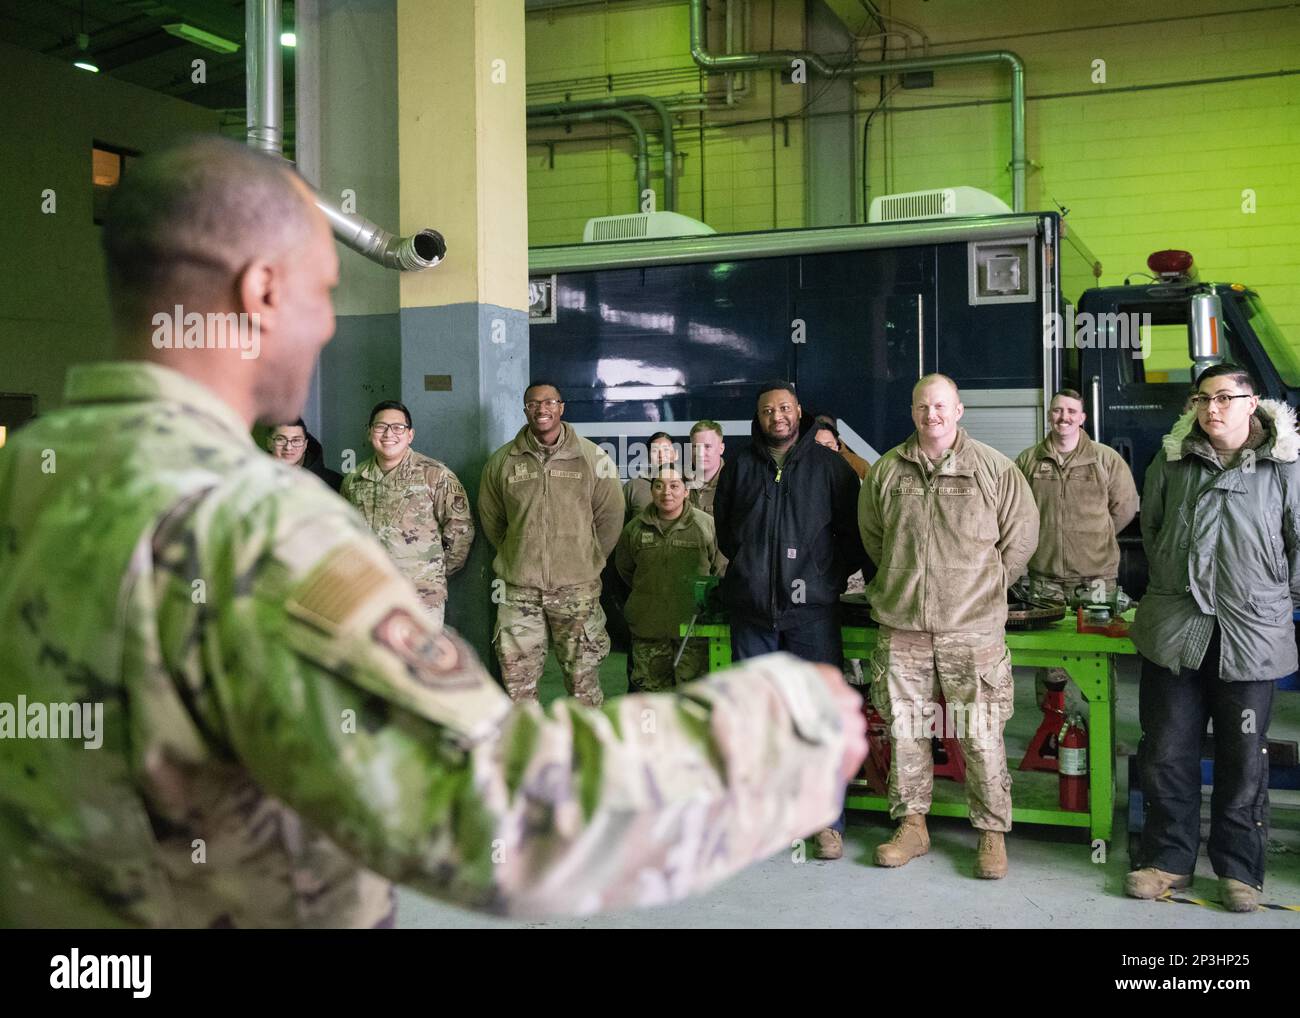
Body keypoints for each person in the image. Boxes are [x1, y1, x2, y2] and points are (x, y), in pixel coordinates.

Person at [0, 136, 866, 927]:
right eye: (326, 292)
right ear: (261, 290)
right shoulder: (258, 524)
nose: (331, 324)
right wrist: (775, 725)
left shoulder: (25, 478)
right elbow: (495, 809)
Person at [1126, 364, 1300, 912]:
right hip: (1176, 629)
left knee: (1244, 757)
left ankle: (1239, 870)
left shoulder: (1285, 467)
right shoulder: (1172, 462)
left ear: (1254, 403)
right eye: (1202, 399)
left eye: (1226, 397)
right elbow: (1150, 532)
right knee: (1166, 752)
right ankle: (1168, 861)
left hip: (1251, 634)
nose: (1212, 409)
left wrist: (1268, 600)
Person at [859, 373, 1038, 879]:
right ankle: (912, 825)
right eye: (922, 407)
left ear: (959, 411)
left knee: (981, 733)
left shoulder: (994, 469)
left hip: (973, 629)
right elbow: (874, 536)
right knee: (907, 730)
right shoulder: (887, 472)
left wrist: (986, 586)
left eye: (940, 406)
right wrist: (902, 581)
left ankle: (991, 833)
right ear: (912, 411)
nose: (931, 415)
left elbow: (1020, 537)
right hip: (903, 626)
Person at [714, 380, 867, 859]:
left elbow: (852, 537)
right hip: (753, 614)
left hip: (812, 617)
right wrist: (753, 573)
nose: (776, 416)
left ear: (799, 410)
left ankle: (826, 823)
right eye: (766, 410)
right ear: (756, 418)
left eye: (784, 407)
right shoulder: (739, 466)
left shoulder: (830, 468)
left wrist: (823, 581)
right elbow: (725, 533)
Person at [478, 382, 624, 707]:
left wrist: (588, 558)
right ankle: (528, 753)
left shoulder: (592, 458)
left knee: (583, 682)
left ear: (561, 407)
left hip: (577, 590)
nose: (541, 409)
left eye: (549, 402)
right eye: (533, 404)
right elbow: (493, 519)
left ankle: (587, 752)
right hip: (520, 591)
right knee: (517, 685)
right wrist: (518, 552)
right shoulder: (502, 462)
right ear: (525, 409)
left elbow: (610, 517)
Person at [1014, 389, 1138, 708]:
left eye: (1071, 411)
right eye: (1057, 411)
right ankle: (1053, 734)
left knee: (1097, 654)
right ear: (1049, 416)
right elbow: (1017, 511)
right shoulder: (1028, 461)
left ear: (1082, 418)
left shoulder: (1105, 459)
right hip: (1046, 580)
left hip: (1096, 578)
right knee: (1050, 662)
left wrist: (1095, 536)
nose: (1064, 417)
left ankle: (1099, 730)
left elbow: (1124, 507)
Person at [341, 399, 474, 629]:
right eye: (381, 427)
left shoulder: (434, 475)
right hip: (369, 595)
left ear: (410, 434)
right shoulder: (355, 479)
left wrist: (431, 574)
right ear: (369, 432)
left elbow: (460, 531)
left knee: (419, 663)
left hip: (420, 598)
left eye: (398, 427)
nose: (388, 434)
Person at [615, 464, 724, 691]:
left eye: (674, 486)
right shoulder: (634, 529)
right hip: (649, 631)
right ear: (651, 490)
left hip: (692, 632)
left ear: (686, 491)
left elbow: (719, 570)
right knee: (651, 703)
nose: (667, 492)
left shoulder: (706, 526)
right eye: (659, 486)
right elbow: (625, 570)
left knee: (693, 701)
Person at [266, 417, 343, 491]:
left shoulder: (333, 484)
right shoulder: (255, 480)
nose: (288, 447)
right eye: (281, 439)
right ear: (269, 443)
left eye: (296, 440)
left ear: (305, 445)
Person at [623, 431, 676, 518]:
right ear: (648, 456)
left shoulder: (686, 486)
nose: (661, 455)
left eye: (666, 450)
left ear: (675, 454)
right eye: (655, 451)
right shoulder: (633, 486)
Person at [686, 419, 726, 517]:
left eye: (707, 446)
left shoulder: (734, 483)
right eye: (695, 447)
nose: (700, 453)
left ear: (721, 448)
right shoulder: (678, 481)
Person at [815, 412, 869, 480]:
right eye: (816, 428)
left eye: (828, 428)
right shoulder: (801, 463)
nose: (822, 432)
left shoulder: (856, 464)